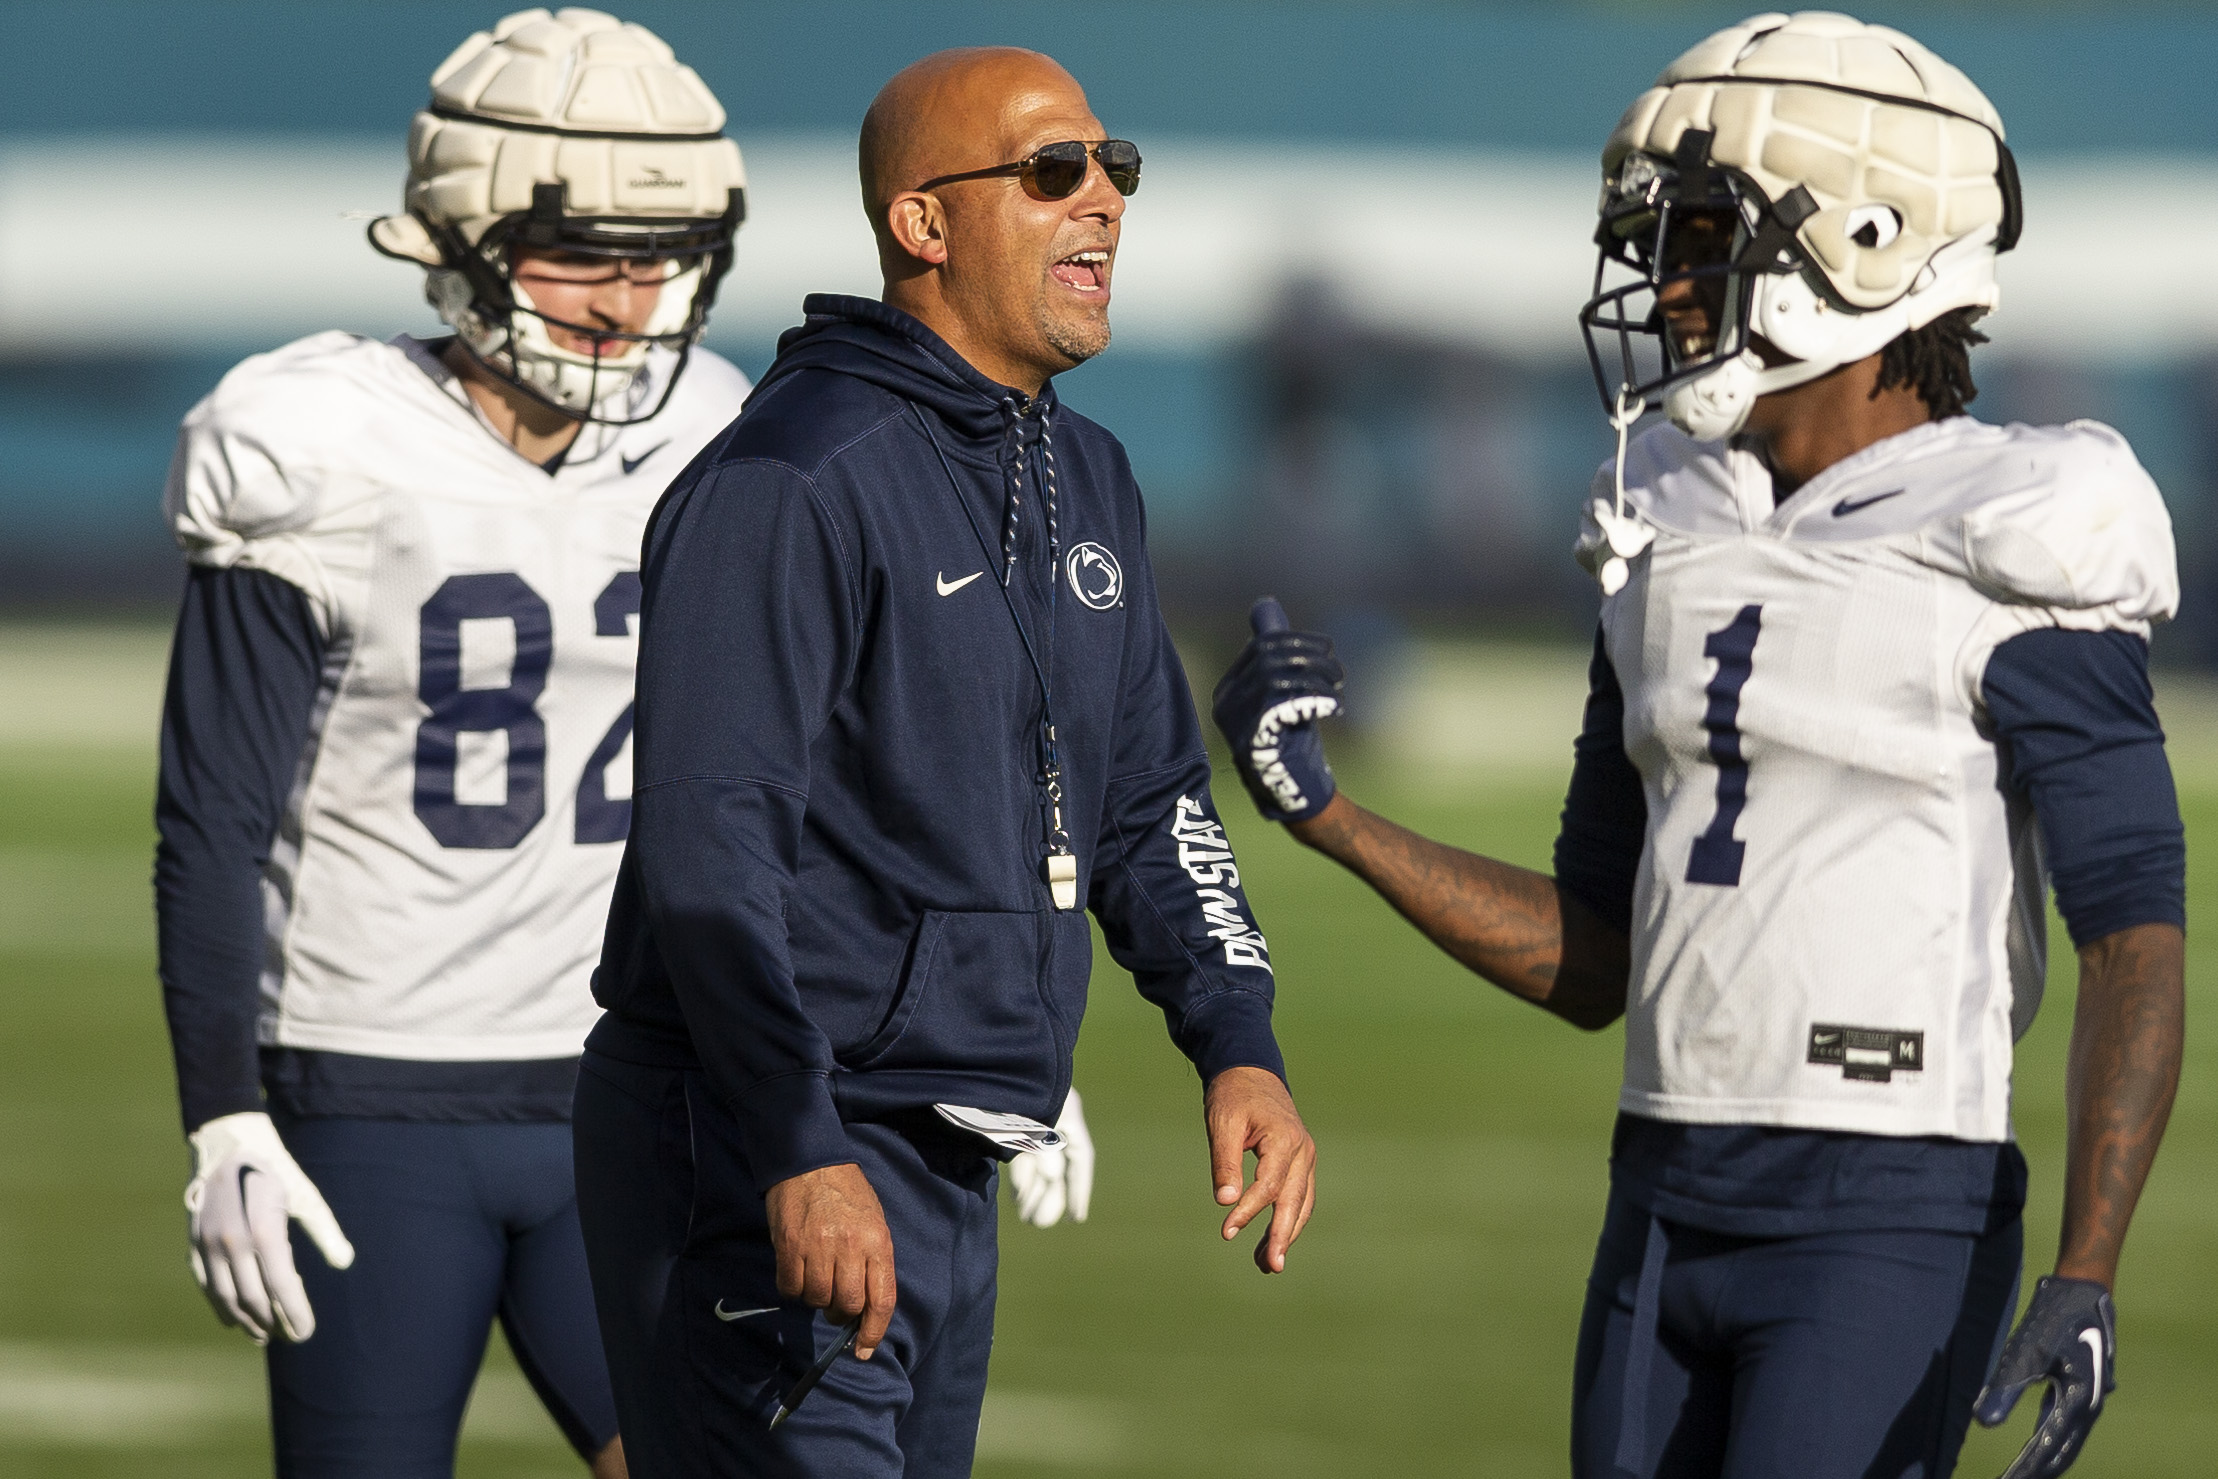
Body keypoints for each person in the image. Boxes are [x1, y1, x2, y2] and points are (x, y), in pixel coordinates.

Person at [1214, 13, 2182, 1479]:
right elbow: (1595, 957)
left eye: (1707, 236)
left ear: (1868, 243)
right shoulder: (1664, 517)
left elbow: (2132, 939)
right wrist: (1328, 818)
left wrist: (2090, 1262)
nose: (1668, 286)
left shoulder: (2022, 524)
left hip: (1887, 1211)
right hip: (1657, 1193)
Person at [572, 45, 1317, 1479]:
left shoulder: (1084, 470)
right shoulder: (788, 481)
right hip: (766, 1145)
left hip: (944, 1157)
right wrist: (795, 1141)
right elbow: (705, 852)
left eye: (1114, 168)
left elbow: (1149, 803)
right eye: (1052, 172)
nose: (1102, 200)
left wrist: (1236, 1041)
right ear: (922, 224)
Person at [153, 10, 754, 1476]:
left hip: (624, 1074)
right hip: (372, 1090)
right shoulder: (322, 439)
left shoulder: (712, 434)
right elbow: (213, 817)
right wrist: (223, 1112)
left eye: (657, 257)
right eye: (581, 257)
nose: (626, 304)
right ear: (462, 244)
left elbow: (781, 778)